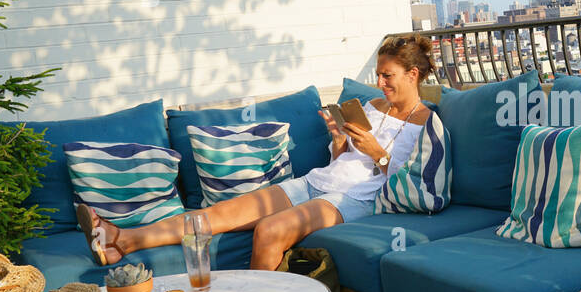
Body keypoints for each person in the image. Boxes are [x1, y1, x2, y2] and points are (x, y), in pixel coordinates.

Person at [77, 35, 437, 271]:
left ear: (412, 74)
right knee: (216, 215)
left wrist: (379, 154)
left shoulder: (428, 123)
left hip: (355, 198)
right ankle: (120, 241)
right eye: (378, 74)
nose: (380, 83)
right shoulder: (371, 106)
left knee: (268, 230)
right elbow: (341, 161)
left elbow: (415, 185)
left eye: (388, 76)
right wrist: (340, 141)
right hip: (318, 181)